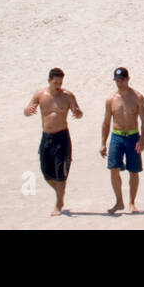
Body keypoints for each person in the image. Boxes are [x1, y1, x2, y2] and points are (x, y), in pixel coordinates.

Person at [24, 67, 82, 216]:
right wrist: (28, 110)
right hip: (47, 137)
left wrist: (78, 113)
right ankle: (60, 193)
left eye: (60, 83)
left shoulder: (68, 96)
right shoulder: (40, 95)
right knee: (46, 173)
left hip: (62, 137)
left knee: (61, 174)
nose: (58, 86)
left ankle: (58, 204)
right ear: (49, 80)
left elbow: (79, 112)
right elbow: (26, 110)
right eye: (55, 82)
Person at [101, 67, 144, 215]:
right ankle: (119, 201)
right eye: (117, 80)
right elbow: (106, 122)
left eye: (121, 80)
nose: (119, 83)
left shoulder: (137, 97)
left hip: (133, 136)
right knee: (113, 169)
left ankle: (132, 202)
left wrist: (142, 139)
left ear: (128, 79)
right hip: (117, 136)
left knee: (133, 171)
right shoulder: (111, 99)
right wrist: (103, 142)